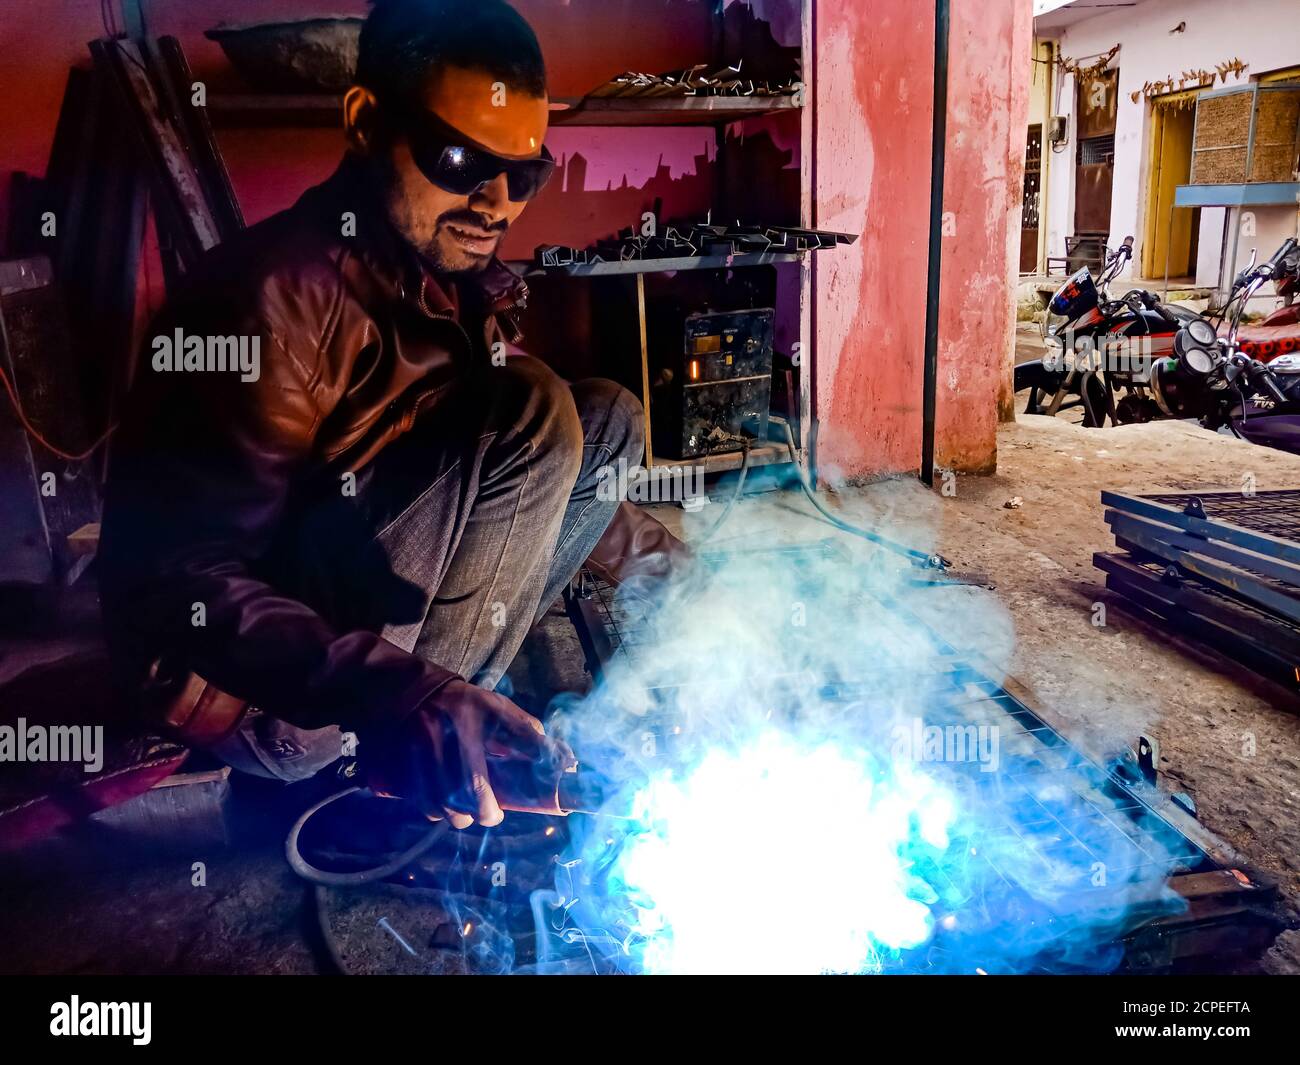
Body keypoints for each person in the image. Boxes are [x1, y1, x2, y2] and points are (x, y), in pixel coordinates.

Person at [99, 0, 682, 830]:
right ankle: (405, 768)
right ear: (366, 122)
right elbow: (180, 584)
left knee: (609, 417)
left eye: (522, 175)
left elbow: (512, 482)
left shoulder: (444, 273)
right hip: (277, 701)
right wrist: (401, 693)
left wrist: (681, 582)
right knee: (537, 409)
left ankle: (454, 725)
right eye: (456, 158)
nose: (494, 203)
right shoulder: (267, 301)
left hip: (371, 631)